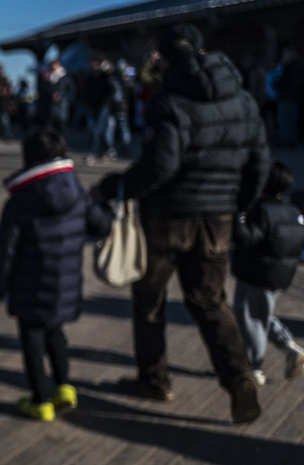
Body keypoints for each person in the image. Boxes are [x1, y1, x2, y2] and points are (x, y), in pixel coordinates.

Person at [96, 25, 269, 424]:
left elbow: (162, 165)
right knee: (210, 300)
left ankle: (155, 381)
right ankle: (240, 376)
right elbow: (259, 163)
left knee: (150, 300)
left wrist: (114, 186)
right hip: (218, 217)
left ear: (163, 58)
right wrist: (235, 203)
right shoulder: (244, 100)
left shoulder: (167, 101)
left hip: (166, 218)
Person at [0, 129, 112, 421]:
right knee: (56, 334)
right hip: (64, 285)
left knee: (32, 342)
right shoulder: (77, 193)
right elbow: (102, 227)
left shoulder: (18, 201)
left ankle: (40, 401)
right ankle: (64, 387)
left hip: (28, 288)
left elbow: (5, 251)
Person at [231, 159, 304, 383]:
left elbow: (247, 238)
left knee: (249, 317)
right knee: (260, 314)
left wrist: (236, 219)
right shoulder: (293, 210)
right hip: (279, 275)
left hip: (256, 273)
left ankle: (254, 368)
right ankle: (289, 346)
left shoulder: (262, 211)